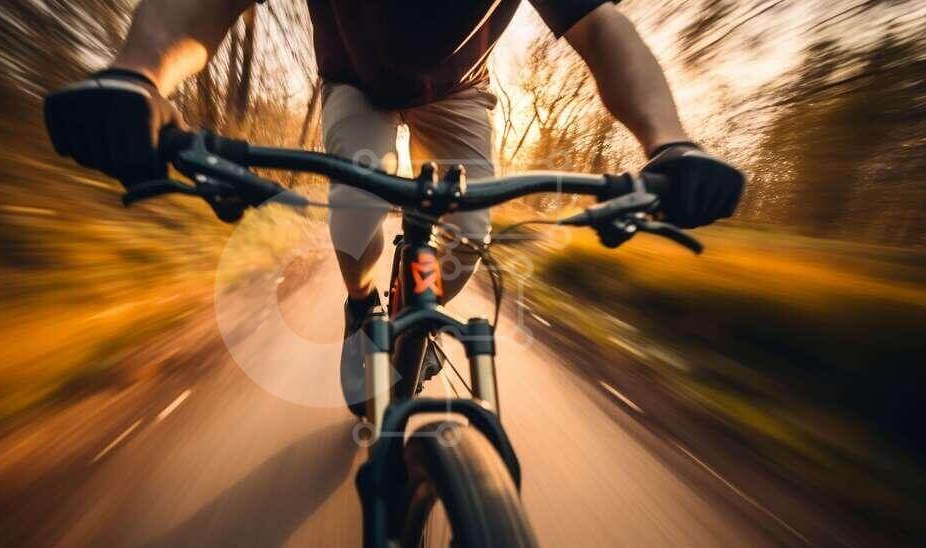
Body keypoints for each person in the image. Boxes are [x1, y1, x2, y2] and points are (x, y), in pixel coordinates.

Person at [44, 0, 744, 416]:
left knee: (468, 237)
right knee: (357, 216)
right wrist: (139, 73)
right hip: (355, 87)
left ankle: (418, 308)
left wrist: (668, 142)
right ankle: (360, 311)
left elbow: (601, 30)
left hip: (459, 93)